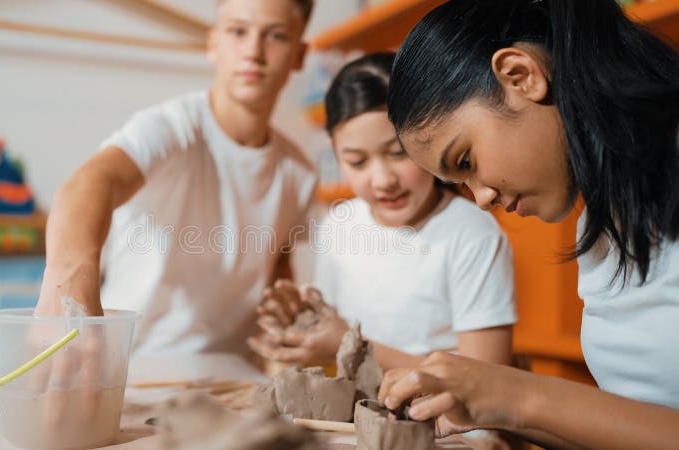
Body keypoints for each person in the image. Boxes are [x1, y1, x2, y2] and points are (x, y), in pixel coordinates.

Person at [380, 0, 679, 448]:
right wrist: (483, 403)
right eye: (460, 183)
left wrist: (519, 395)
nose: (483, 198)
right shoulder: (601, 222)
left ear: (520, 76)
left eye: (466, 160)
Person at [35, 0, 317, 356]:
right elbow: (91, 183)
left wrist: (287, 313)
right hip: (131, 362)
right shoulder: (170, 128)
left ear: (299, 55)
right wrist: (68, 276)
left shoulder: (299, 172)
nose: (253, 52)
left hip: (230, 374)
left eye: (275, 36)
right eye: (237, 31)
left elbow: (278, 268)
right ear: (213, 43)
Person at [247, 53, 517, 374]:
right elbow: (329, 336)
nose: (383, 180)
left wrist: (352, 345)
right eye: (357, 162)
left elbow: (486, 379)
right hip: (354, 404)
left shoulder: (471, 234)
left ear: (431, 135)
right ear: (335, 153)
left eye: (399, 153)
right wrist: (300, 325)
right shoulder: (339, 226)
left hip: (441, 408)